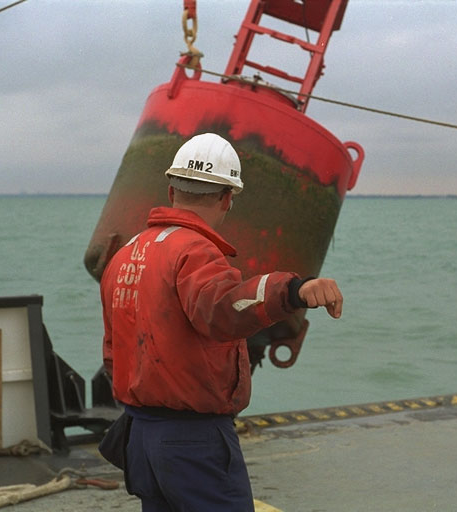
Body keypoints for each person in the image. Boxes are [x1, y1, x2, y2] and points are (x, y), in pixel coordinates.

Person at [99, 133, 343, 511]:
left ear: (171, 189)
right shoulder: (195, 251)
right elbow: (224, 310)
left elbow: (114, 352)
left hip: (141, 437)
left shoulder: (126, 255)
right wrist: (293, 290)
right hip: (192, 440)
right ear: (227, 197)